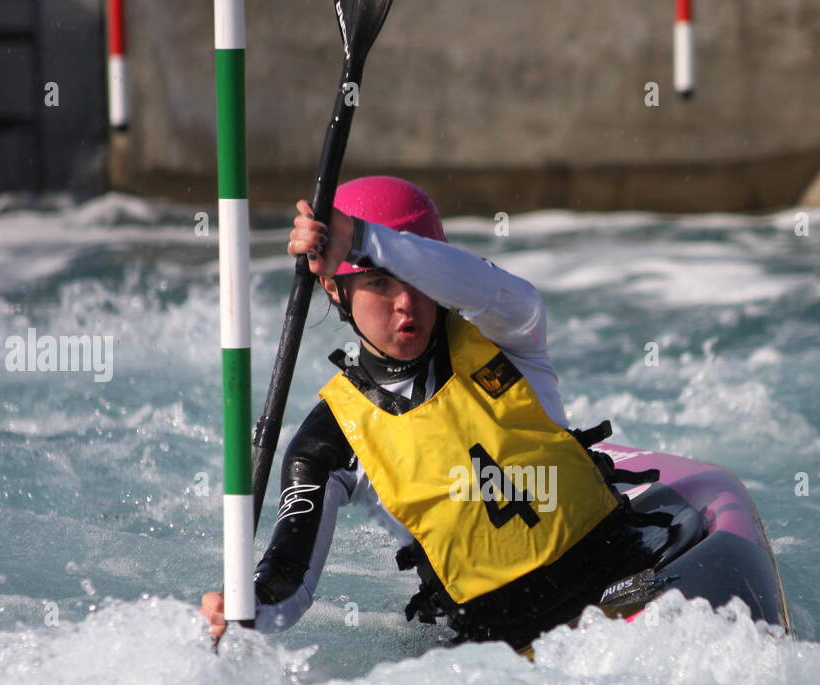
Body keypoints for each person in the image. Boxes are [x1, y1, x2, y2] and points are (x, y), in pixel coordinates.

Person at [202, 176, 664, 650]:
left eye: (416, 279)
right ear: (332, 287)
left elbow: (478, 282)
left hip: (622, 581)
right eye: (378, 282)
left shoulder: (506, 330)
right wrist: (243, 610)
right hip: (496, 646)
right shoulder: (328, 443)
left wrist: (363, 241)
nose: (406, 303)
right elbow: (288, 577)